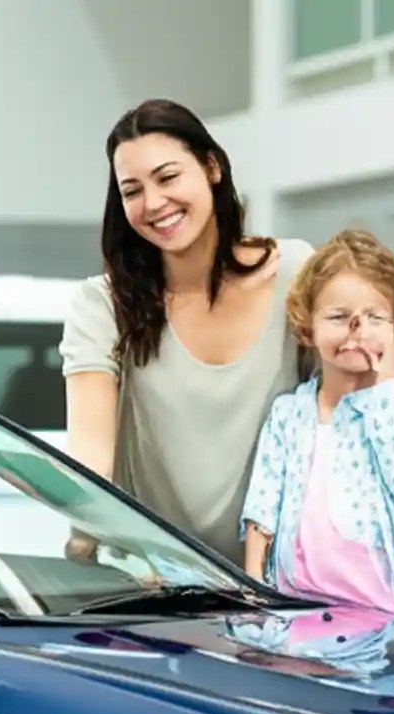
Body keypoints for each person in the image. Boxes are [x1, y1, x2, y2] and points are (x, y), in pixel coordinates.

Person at [58, 98, 313, 565]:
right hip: (150, 588)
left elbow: (351, 413)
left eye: (168, 177)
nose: (153, 203)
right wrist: (79, 549)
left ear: (212, 167)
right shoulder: (102, 305)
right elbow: (91, 455)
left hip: (279, 586)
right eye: (131, 190)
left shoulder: (297, 274)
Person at [240, 230, 394, 621]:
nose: (356, 330)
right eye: (338, 317)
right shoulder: (289, 413)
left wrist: (386, 388)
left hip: (383, 612)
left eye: (374, 318)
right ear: (307, 328)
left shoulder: (393, 411)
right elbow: (262, 504)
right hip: (298, 606)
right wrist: (254, 586)